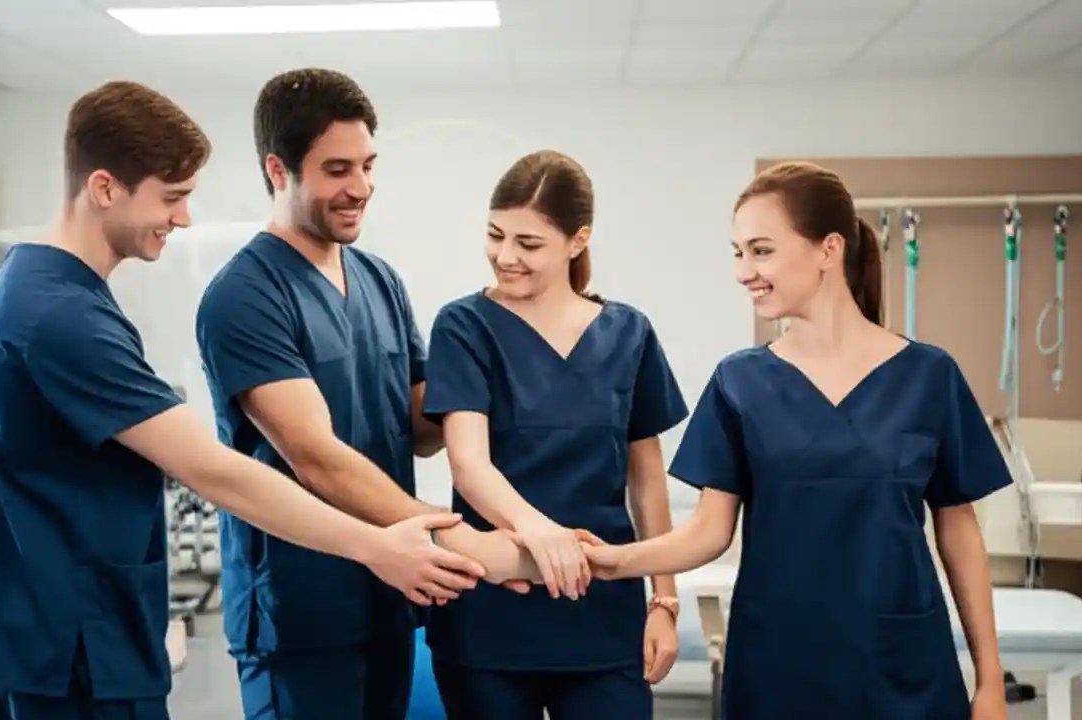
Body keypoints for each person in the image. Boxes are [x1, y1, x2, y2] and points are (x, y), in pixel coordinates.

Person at [0, 80, 484, 720]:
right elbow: (219, 468)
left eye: (367, 165)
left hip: (104, 623)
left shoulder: (64, 293)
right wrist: (396, 544)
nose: (184, 218)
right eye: (174, 197)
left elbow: (417, 418)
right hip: (80, 634)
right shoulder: (60, 314)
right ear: (105, 188)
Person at [583, 160, 1012, 719]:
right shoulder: (739, 382)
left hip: (901, 662)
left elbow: (959, 531)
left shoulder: (929, 376)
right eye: (737, 253)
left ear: (829, 250)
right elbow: (710, 532)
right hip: (777, 664)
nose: (743, 271)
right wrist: (614, 562)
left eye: (761, 251)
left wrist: (990, 680)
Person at [195, 68, 536, 720]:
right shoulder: (245, 296)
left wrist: (494, 355)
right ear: (278, 169)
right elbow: (314, 455)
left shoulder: (379, 279)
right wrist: (452, 539)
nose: (361, 188)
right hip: (300, 613)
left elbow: (420, 426)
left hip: (389, 598)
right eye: (337, 169)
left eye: (369, 165)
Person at [419, 150, 689, 720]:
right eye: (496, 236)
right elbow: (469, 465)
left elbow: (647, 482)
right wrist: (541, 532)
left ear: (576, 240)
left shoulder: (629, 333)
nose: (505, 257)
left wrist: (664, 598)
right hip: (492, 617)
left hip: (603, 615)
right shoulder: (464, 326)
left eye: (529, 243)